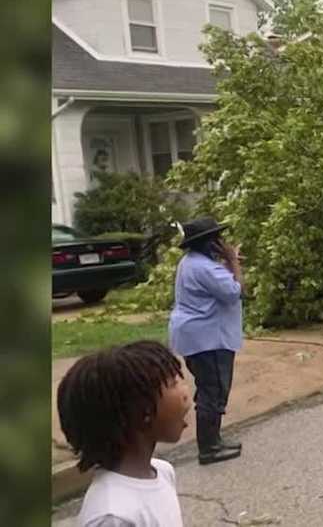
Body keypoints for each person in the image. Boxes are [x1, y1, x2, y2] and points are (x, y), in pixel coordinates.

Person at [57, 340, 190, 527]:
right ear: (141, 412)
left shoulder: (163, 471)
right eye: (173, 384)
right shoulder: (113, 515)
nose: (185, 392)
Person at [169, 216, 244, 465]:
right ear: (208, 243)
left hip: (197, 337)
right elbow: (235, 292)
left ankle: (214, 440)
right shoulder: (204, 267)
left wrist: (227, 263)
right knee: (213, 391)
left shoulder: (191, 262)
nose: (221, 242)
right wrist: (232, 260)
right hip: (208, 339)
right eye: (216, 239)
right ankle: (208, 448)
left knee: (210, 389)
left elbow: (220, 283)